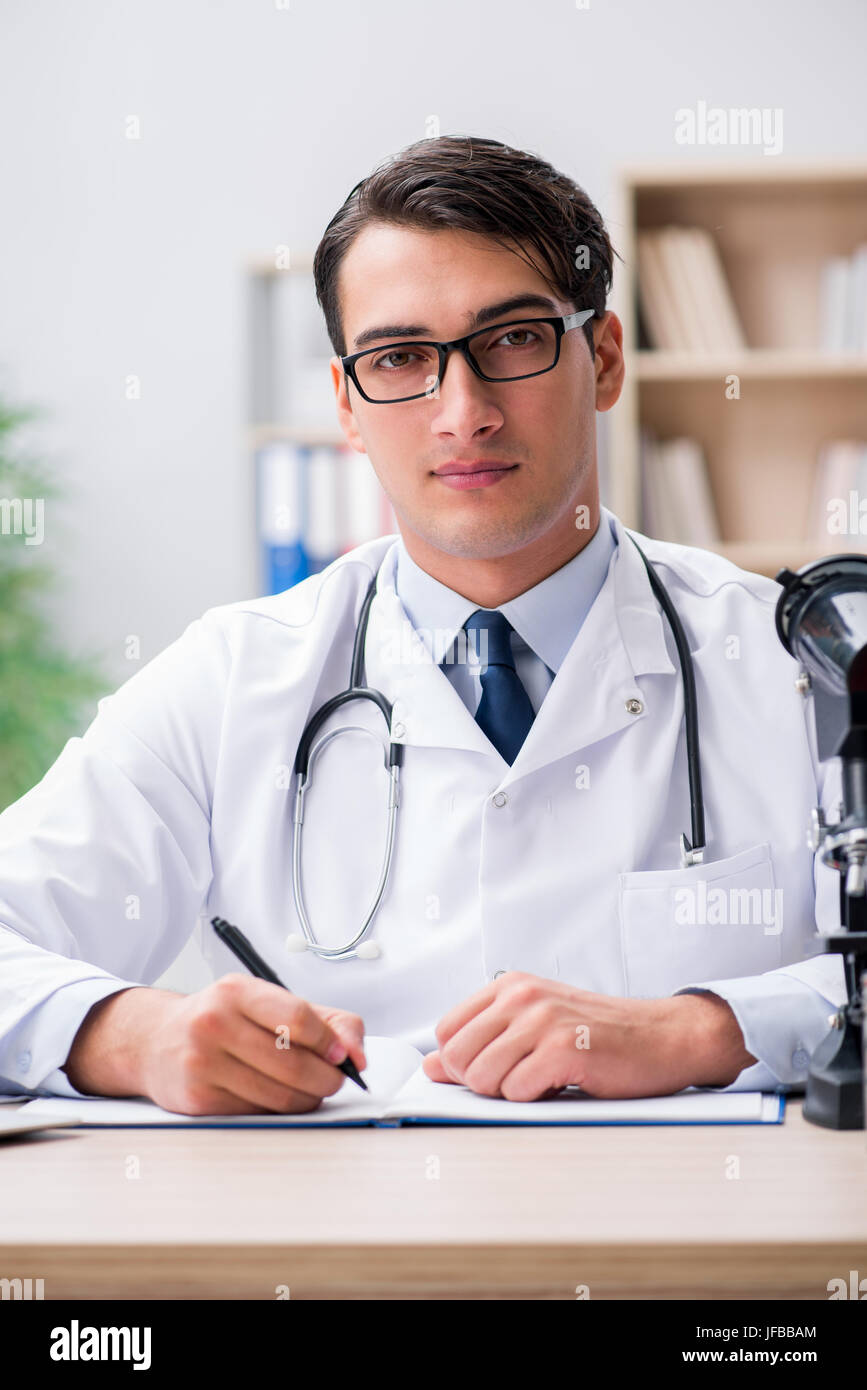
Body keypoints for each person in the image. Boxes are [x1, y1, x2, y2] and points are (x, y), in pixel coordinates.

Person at [0, 135, 845, 1115]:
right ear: (348, 406)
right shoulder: (233, 680)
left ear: (605, 358)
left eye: (515, 338)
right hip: (339, 1255)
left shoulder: (797, 662)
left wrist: (709, 1026)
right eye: (401, 358)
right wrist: (128, 1033)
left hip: (695, 1254)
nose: (464, 410)